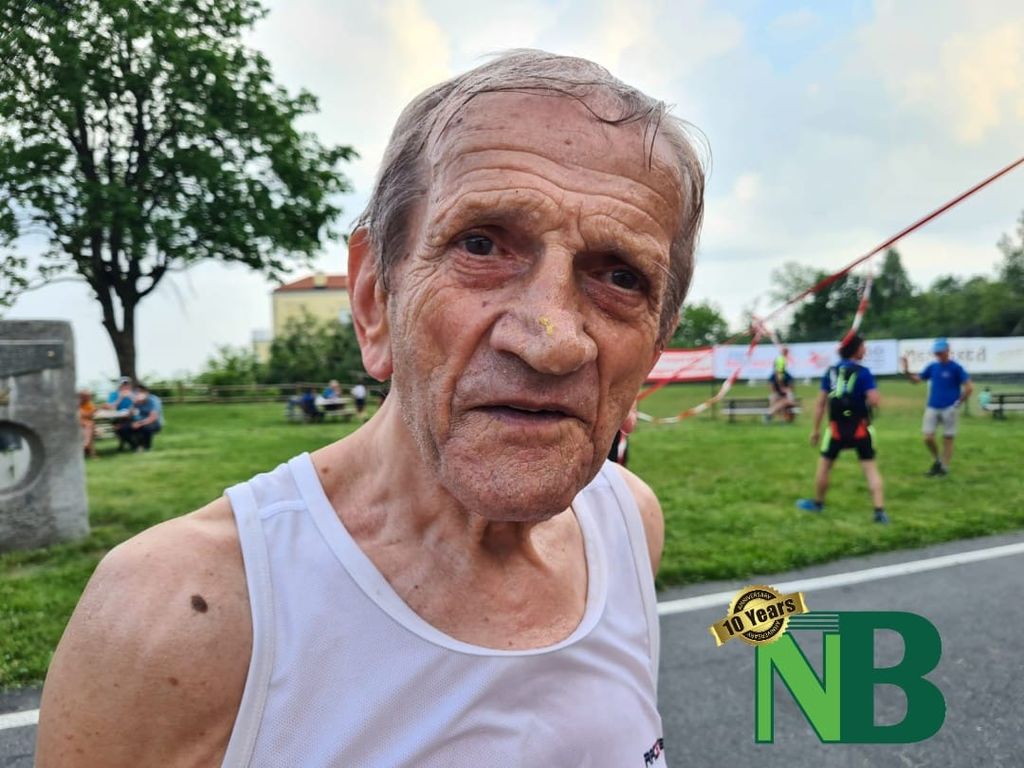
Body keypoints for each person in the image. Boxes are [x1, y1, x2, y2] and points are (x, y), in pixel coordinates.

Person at [37, 50, 706, 767]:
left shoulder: (629, 525)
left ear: (655, 347)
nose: (552, 341)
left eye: (618, 276)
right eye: (481, 245)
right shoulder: (181, 611)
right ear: (373, 300)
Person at [797, 334, 888, 524]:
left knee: (824, 467)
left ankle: (818, 504)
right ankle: (879, 512)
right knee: (870, 469)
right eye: (863, 346)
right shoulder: (863, 373)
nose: (866, 350)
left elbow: (821, 403)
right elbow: (874, 400)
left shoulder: (831, 372)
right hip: (860, 428)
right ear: (856, 349)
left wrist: (815, 430)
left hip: (835, 429)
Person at [901, 337, 973, 476]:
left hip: (949, 408)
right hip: (933, 406)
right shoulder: (933, 367)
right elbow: (916, 380)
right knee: (928, 437)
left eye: (940, 352)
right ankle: (938, 461)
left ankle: (944, 468)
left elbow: (969, 387)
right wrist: (907, 371)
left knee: (948, 438)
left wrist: (958, 403)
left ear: (947, 351)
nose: (938, 355)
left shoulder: (956, 368)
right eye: (936, 352)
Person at [128, 384, 163, 452]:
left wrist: (140, 424)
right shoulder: (137, 401)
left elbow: (153, 418)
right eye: (137, 392)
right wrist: (133, 404)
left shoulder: (154, 400)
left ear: (146, 392)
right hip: (139, 421)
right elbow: (129, 415)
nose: (138, 394)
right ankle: (135, 446)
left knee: (146, 427)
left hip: (154, 423)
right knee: (124, 428)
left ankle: (147, 447)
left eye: (140, 392)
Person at [766, 347, 796, 423]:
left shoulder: (787, 375)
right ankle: (781, 419)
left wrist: (786, 390)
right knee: (774, 398)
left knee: (785, 401)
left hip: (786, 396)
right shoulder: (774, 375)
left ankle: (769, 413)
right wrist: (778, 392)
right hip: (778, 395)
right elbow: (771, 388)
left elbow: (790, 388)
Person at [78, 390, 97, 459]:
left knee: (90, 426)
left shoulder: (89, 404)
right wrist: (92, 412)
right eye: (86, 396)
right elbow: (82, 415)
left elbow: (89, 415)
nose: (88, 398)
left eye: (89, 396)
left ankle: (86, 445)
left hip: (85, 427)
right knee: (90, 425)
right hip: (76, 426)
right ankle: (87, 445)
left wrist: (91, 412)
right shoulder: (77, 404)